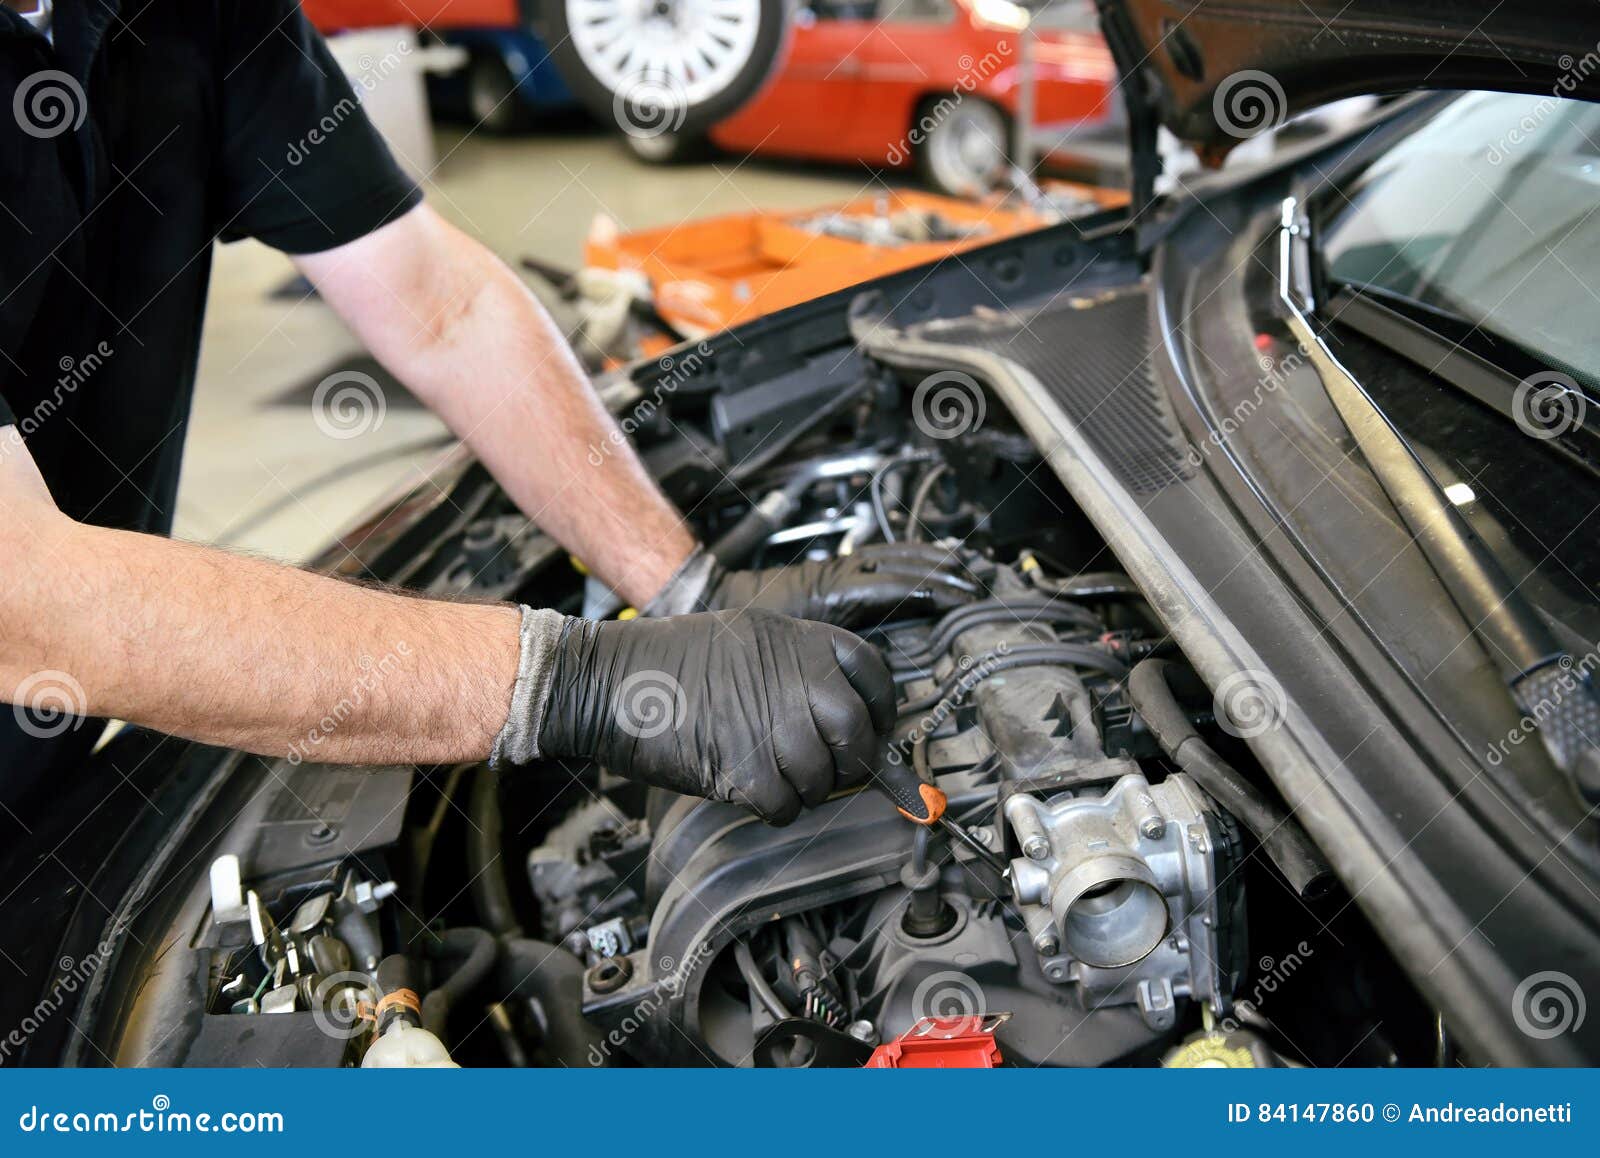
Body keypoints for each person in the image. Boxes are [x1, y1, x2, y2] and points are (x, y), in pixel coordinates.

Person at [0, 0, 975, 826]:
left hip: (59, 750)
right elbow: (26, 592)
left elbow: (437, 300)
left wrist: (686, 590)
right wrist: (576, 684)